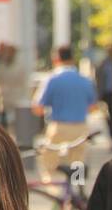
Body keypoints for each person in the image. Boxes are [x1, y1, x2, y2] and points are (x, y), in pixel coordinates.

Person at [32, 45, 99, 182]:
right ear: (73, 59)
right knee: (77, 164)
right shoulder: (85, 80)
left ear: (56, 59)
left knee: (49, 162)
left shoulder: (52, 80)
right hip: (80, 127)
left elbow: (37, 108)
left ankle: (55, 192)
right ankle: (76, 195)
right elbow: (93, 107)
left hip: (58, 126)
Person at [96, 44, 112, 147]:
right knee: (109, 119)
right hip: (108, 95)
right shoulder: (103, 64)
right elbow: (99, 80)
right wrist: (99, 96)